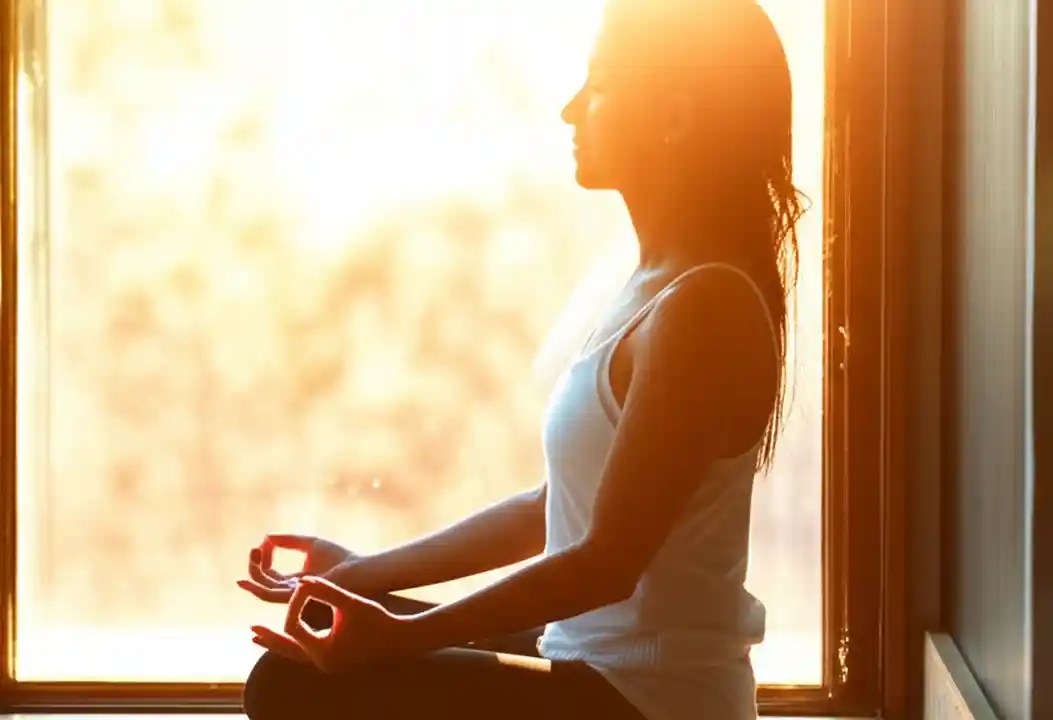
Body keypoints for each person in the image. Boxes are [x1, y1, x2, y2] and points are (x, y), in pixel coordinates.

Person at [237, 1, 805, 717]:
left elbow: (605, 563)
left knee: (291, 685)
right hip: (594, 671)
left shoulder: (707, 306)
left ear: (676, 117)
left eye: (597, 85)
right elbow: (549, 511)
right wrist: (362, 575)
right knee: (319, 634)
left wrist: (402, 637)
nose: (571, 110)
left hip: (650, 700)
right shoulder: (653, 287)